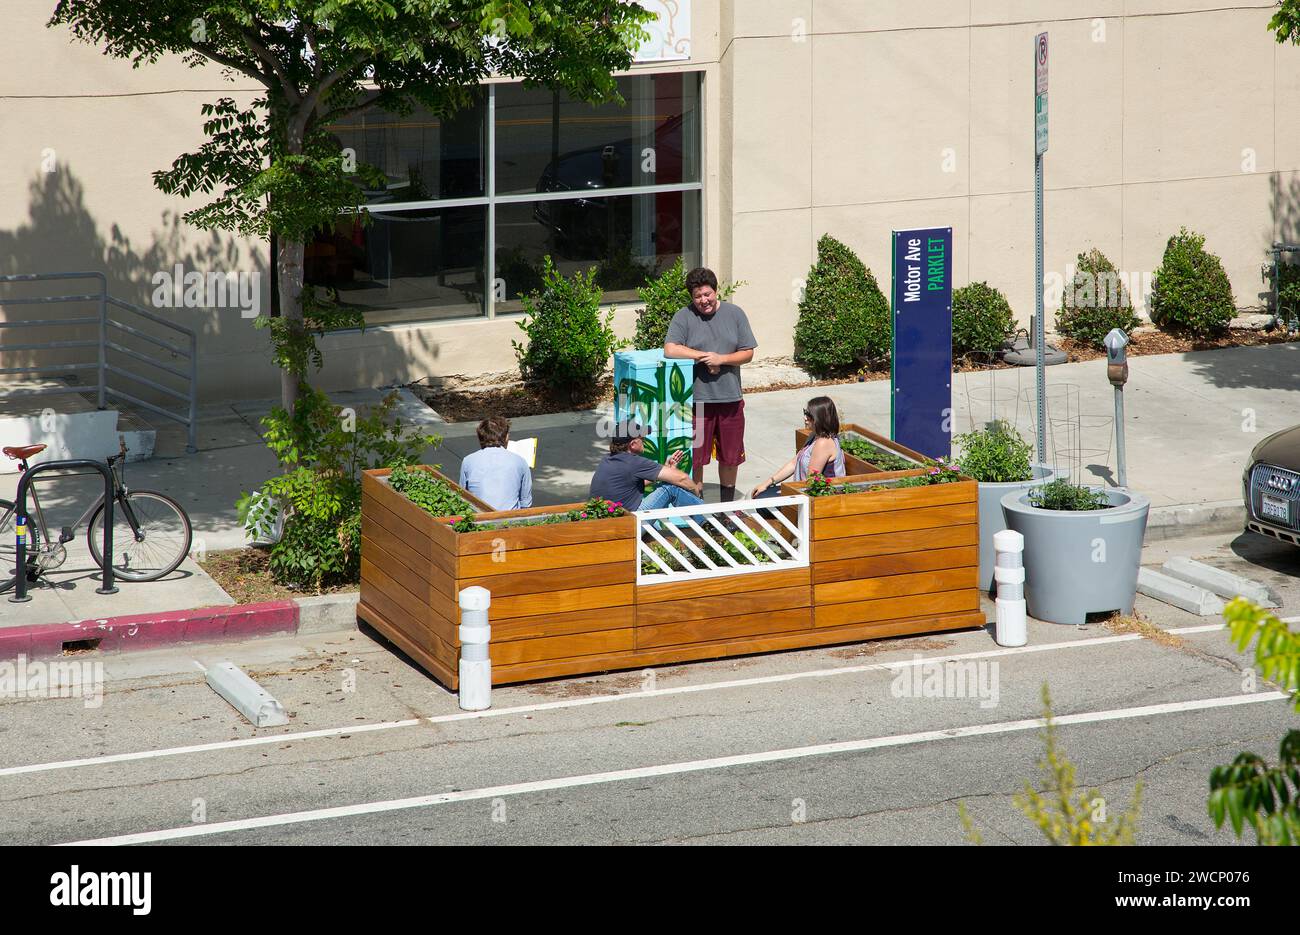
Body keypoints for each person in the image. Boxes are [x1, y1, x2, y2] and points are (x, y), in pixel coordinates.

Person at [664, 267, 757, 502]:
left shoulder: (735, 314)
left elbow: (747, 353)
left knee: (730, 456)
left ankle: (726, 509)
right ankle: (699, 507)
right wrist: (703, 356)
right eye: (697, 296)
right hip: (697, 402)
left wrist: (722, 359)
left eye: (707, 294)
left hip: (730, 399)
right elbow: (670, 349)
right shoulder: (683, 316)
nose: (703, 300)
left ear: (716, 291)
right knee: (696, 457)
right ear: (691, 297)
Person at [590, 421, 704, 512]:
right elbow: (682, 478)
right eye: (642, 439)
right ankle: (708, 520)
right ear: (633, 444)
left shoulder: (607, 459)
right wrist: (696, 493)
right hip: (629, 524)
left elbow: (632, 483)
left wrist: (667, 468)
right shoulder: (634, 462)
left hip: (614, 521)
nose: (644, 440)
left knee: (654, 524)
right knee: (670, 488)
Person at [749, 396, 846, 498]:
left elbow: (810, 481)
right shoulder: (814, 436)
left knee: (760, 499)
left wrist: (787, 494)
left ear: (820, 418)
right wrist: (767, 483)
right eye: (805, 412)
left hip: (818, 500)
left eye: (809, 415)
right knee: (757, 493)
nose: (805, 417)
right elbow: (793, 464)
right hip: (802, 492)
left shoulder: (823, 443)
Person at [458, 415, 532, 511]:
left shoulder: (468, 461)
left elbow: (462, 497)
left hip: (480, 520)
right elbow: (526, 503)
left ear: (480, 437)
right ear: (506, 437)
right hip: (510, 521)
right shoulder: (520, 461)